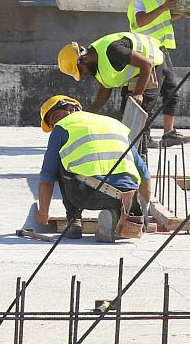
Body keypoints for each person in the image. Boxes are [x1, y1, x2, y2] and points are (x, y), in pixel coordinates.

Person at [34, 95, 151, 242]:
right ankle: (117, 215)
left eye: (55, 117)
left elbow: (47, 176)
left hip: (86, 196)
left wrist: (43, 212)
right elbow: (144, 174)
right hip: (128, 199)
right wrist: (142, 208)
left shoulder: (63, 127)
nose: (56, 124)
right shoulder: (114, 124)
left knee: (60, 160)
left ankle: (74, 222)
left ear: (71, 109)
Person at [56, 31, 190, 146]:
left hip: (152, 58)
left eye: (80, 70)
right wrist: (90, 114)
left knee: (142, 105)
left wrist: (139, 92)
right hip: (139, 68)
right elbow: (104, 90)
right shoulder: (94, 66)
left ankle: (147, 145)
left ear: (84, 59)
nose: (82, 75)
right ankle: (141, 142)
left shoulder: (113, 51)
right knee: (128, 107)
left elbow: (146, 64)